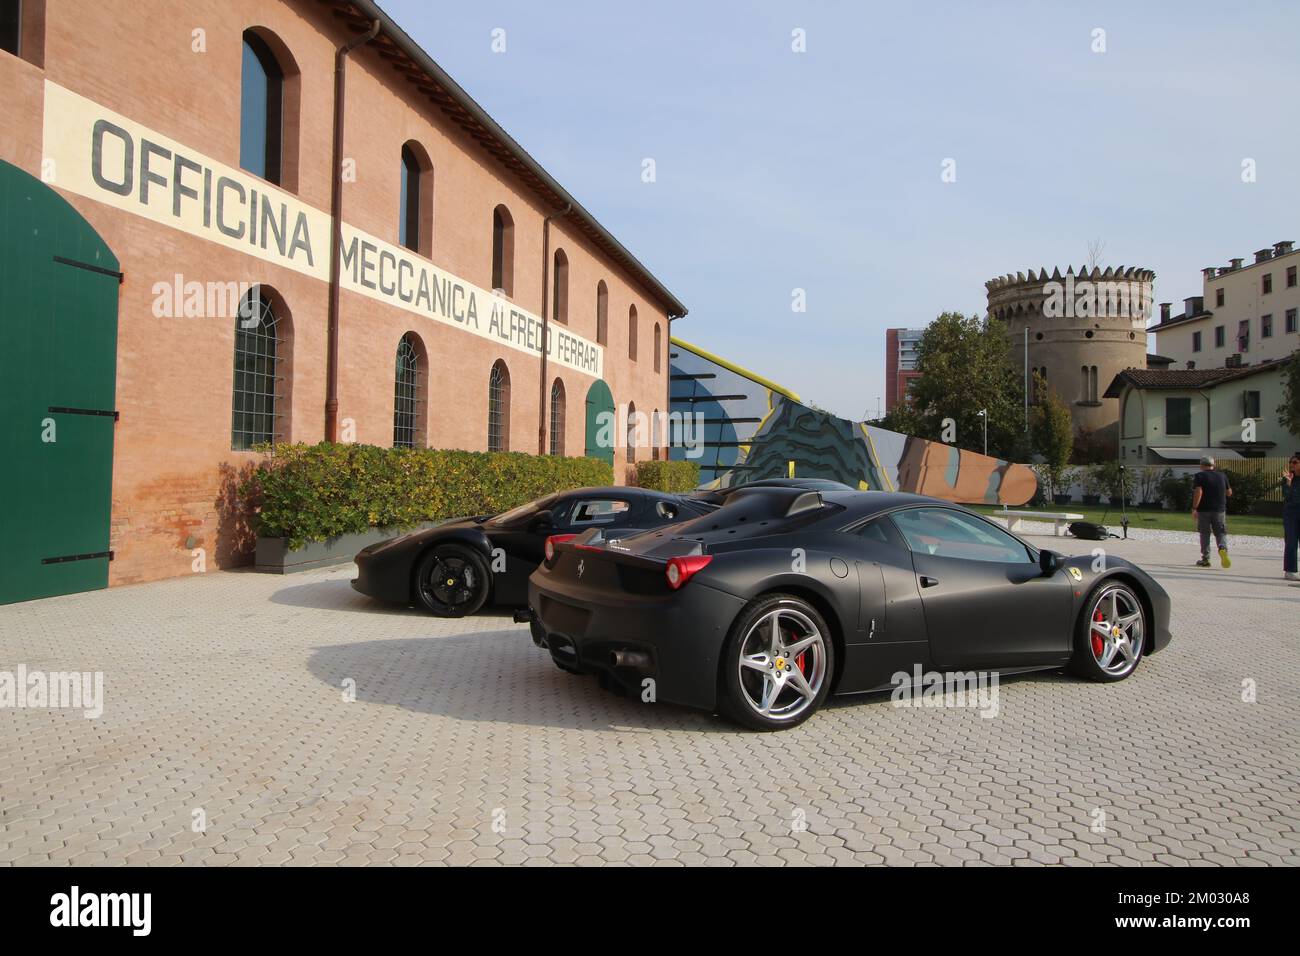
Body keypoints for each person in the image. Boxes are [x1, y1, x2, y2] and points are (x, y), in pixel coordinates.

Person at [1190, 456, 1232, 568]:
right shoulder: (1222, 475)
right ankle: (1222, 548)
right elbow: (1229, 492)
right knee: (1221, 532)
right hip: (1219, 510)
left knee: (1205, 533)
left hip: (1204, 509)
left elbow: (1199, 491)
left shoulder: (1200, 476)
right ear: (1213, 465)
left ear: (1202, 465)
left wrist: (1194, 507)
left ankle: (1206, 559)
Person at [1282, 452, 1300, 582]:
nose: (1292, 465)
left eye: (1295, 462)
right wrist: (1288, 483)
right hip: (1291, 512)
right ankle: (1290, 571)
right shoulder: (1288, 478)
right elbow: (1286, 496)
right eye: (1291, 462)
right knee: (1291, 541)